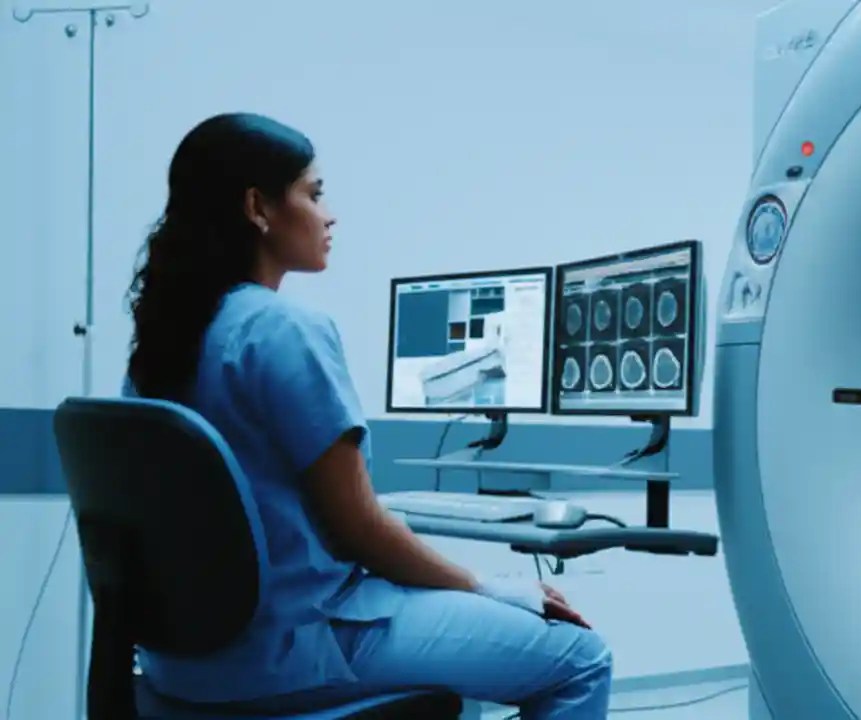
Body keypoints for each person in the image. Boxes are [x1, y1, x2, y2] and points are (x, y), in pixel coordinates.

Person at [122, 112, 613, 718]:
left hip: (186, 661)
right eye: (314, 194)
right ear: (258, 208)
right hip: (303, 643)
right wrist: (495, 587)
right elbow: (359, 531)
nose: (329, 215)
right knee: (581, 657)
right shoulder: (285, 331)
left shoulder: (160, 349)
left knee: (468, 655)